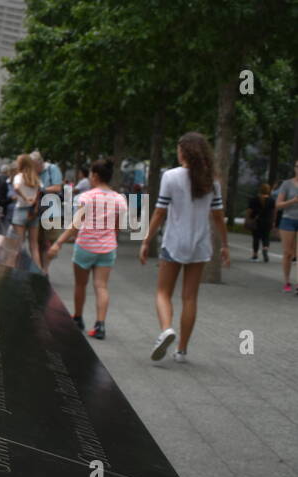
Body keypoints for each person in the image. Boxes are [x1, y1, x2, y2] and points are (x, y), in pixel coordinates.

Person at [139, 132, 230, 363]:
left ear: (184, 152)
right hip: (200, 245)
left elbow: (160, 211)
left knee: (162, 292)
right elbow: (219, 217)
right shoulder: (212, 181)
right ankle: (181, 350)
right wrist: (225, 245)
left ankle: (166, 329)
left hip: (173, 242)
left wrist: (147, 240)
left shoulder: (170, 177)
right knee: (190, 298)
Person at [47, 159, 126, 339]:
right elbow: (118, 227)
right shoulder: (119, 199)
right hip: (107, 248)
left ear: (96, 176)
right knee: (102, 286)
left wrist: (58, 243)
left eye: (90, 174)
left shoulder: (87, 197)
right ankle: (100, 325)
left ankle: (78, 318)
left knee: (81, 284)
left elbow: (76, 224)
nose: (89, 177)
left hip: (86, 246)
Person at [10, 153, 41, 258]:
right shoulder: (36, 178)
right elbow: (39, 192)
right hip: (33, 212)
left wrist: (25, 198)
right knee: (34, 245)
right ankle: (39, 271)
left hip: (21, 210)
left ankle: (18, 270)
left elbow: (16, 188)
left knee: (19, 244)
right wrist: (34, 203)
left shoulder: (18, 177)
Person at [276, 162, 298, 291]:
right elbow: (278, 205)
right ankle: (287, 281)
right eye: (297, 166)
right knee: (288, 253)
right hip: (288, 220)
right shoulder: (287, 184)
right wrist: (293, 201)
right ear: (295, 169)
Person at [245, 183, 275, 262]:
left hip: (256, 221)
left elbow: (249, 210)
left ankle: (255, 256)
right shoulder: (272, 200)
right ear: (268, 191)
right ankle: (265, 248)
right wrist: (273, 221)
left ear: (260, 190)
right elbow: (274, 211)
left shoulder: (254, 199)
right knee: (266, 236)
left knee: (256, 237)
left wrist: (247, 219)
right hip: (268, 221)